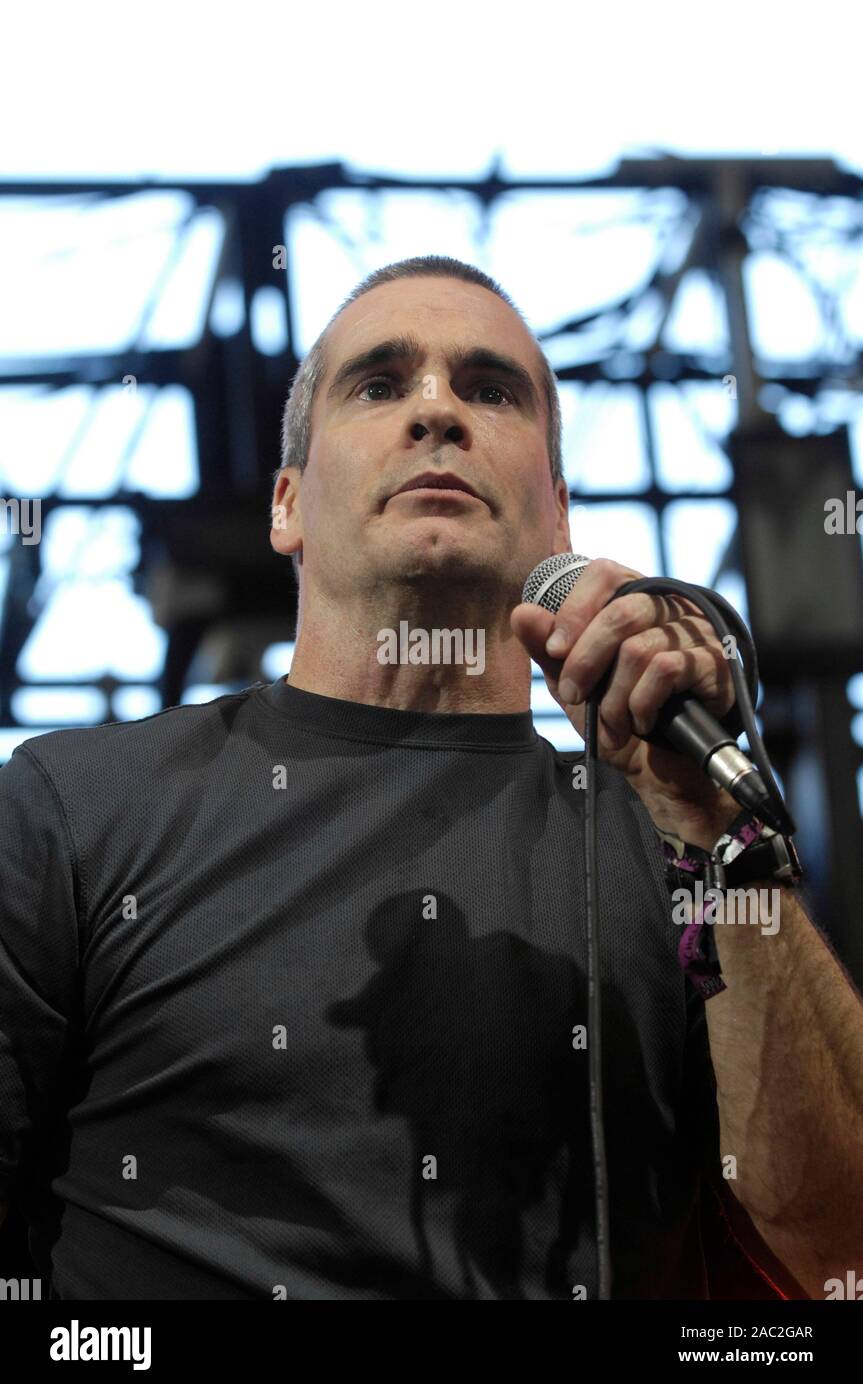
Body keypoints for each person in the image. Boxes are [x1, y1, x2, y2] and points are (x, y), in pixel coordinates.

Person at [1, 255, 859, 1300]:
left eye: (489, 389)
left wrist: (710, 821)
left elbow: (834, 1254)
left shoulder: (674, 846)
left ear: (557, 514)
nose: (436, 413)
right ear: (287, 506)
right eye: (378, 384)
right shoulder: (72, 808)